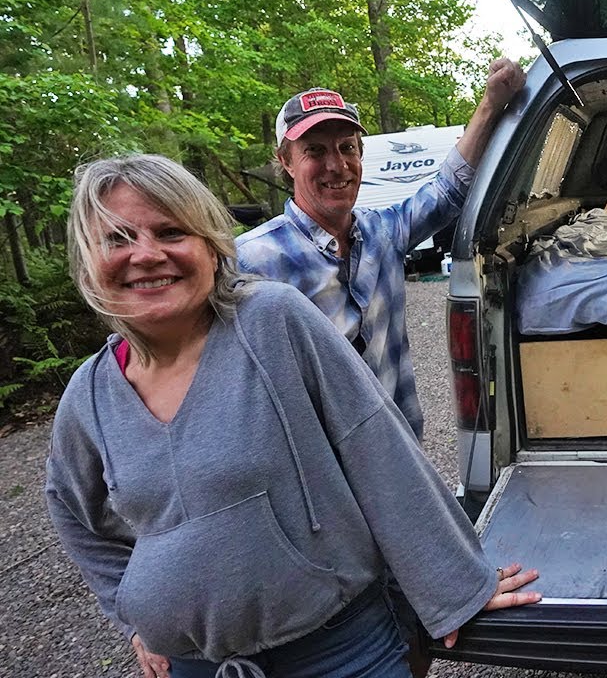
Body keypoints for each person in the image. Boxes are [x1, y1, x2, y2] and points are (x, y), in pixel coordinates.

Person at [45, 154, 540, 678]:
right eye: (118, 239)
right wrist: (132, 613)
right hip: (193, 666)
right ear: (89, 264)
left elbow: (377, 447)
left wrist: (455, 586)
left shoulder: (272, 320)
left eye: (171, 232)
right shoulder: (90, 392)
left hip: (339, 652)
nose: (146, 255)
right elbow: (69, 506)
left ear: (211, 247)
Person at [236, 59, 526, 440]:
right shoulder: (250, 261)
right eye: (315, 151)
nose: (336, 165)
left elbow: (447, 191)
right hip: (323, 464)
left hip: (399, 447)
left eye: (347, 148)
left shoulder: (383, 232)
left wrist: (491, 103)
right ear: (286, 162)